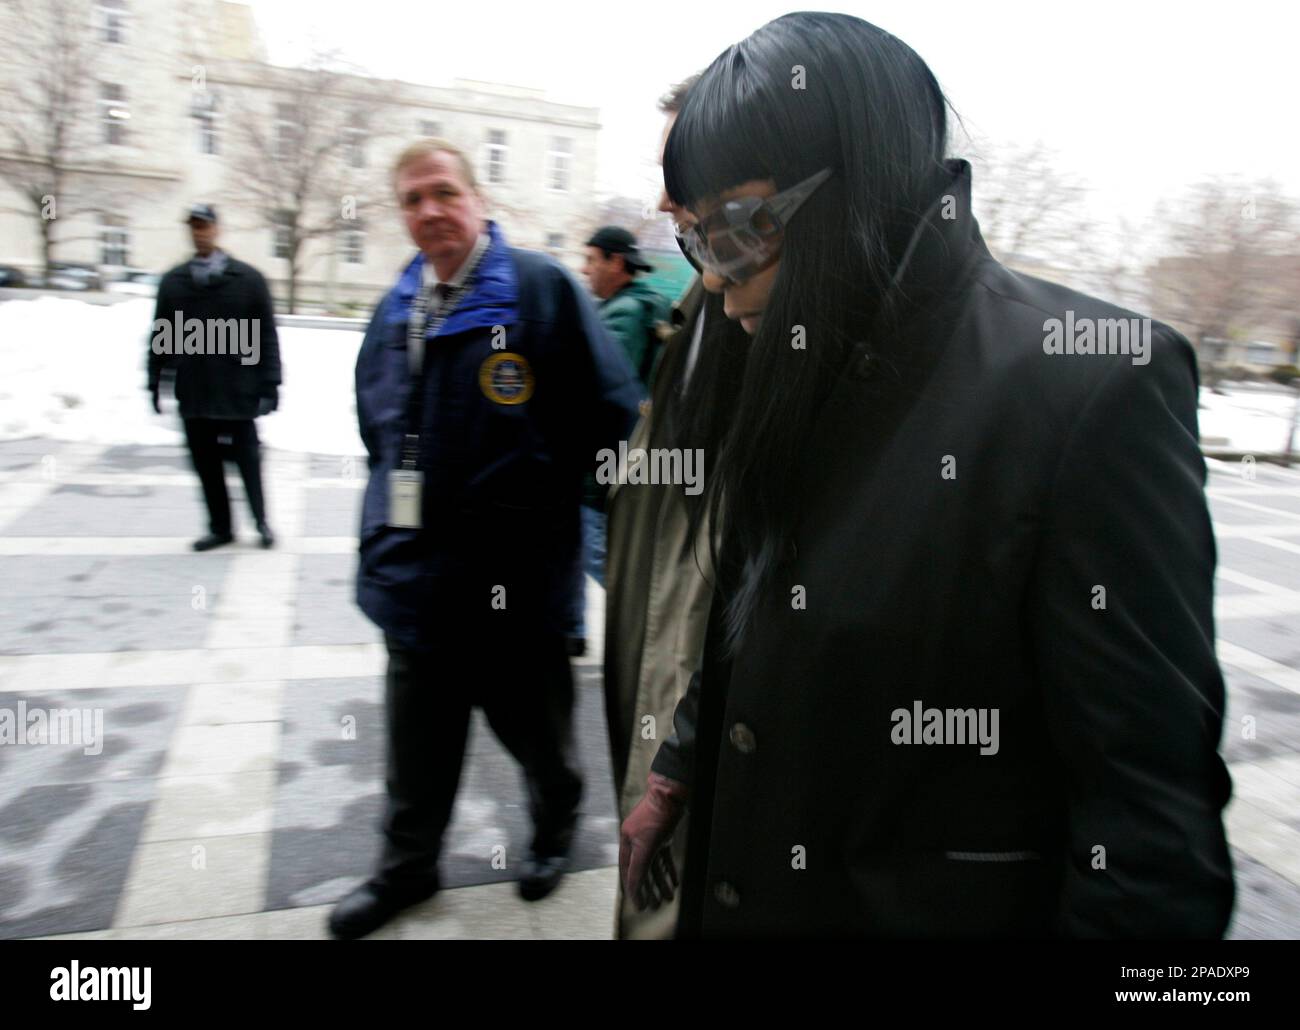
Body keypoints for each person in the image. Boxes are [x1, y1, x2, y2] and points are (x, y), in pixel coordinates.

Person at [619, 12, 1235, 938]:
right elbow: (752, 602)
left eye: (738, 234)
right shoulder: (786, 345)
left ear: (857, 188)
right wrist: (680, 766)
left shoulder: (1091, 387)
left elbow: (1153, 838)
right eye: (697, 243)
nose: (715, 283)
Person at [330, 139, 641, 940]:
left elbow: (610, 415)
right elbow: (377, 421)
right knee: (416, 747)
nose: (429, 211)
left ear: (477, 199)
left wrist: (544, 505)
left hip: (518, 582)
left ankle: (552, 831)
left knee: (535, 732)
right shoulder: (397, 305)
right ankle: (407, 870)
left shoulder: (539, 291)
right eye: (412, 199)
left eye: (443, 192)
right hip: (417, 580)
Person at [603, 76, 750, 939]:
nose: (662, 197)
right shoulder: (694, 313)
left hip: (699, 704)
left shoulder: (763, 321)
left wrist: (679, 756)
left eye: (680, 169)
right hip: (657, 686)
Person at [148, 204, 280, 550]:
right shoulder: (175, 282)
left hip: (238, 391)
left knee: (249, 462)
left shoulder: (248, 280)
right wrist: (155, 380)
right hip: (195, 391)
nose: (199, 232)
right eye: (194, 227)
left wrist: (271, 383)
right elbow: (162, 334)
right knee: (206, 464)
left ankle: (261, 522)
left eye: (204, 226)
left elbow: (265, 334)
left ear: (217, 229)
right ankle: (220, 527)